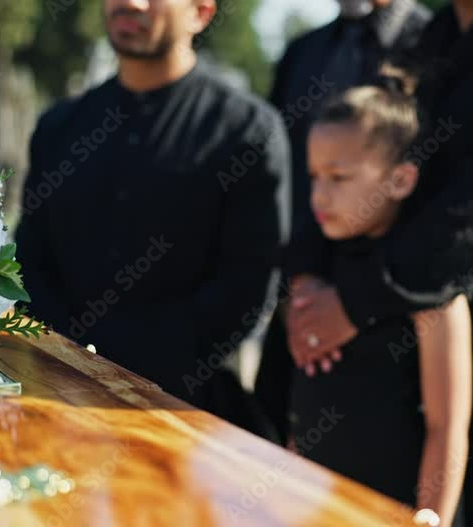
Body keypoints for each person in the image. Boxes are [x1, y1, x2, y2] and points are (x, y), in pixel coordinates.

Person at [282, 1, 473, 525]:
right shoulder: (426, 40)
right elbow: (354, 151)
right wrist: (310, 280)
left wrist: (352, 300)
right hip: (372, 298)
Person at [15, 0, 290, 421]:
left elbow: (246, 289)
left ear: (200, 12)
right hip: (58, 403)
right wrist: (72, 358)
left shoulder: (245, 132)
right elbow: (30, 264)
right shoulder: (59, 127)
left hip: (188, 417)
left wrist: (117, 362)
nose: (130, 3)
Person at [289, 71, 472, 526]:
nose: (319, 195)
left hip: (390, 509)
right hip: (309, 503)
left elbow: (446, 427)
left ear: (401, 179)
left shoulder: (431, 292)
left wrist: (432, 517)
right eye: (313, 176)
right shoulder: (317, 273)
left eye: (338, 177)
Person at [257, 0, 430, 443]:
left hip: (395, 320)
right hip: (296, 306)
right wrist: (304, 282)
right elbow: (279, 180)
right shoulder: (302, 51)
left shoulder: (436, 43)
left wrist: (356, 299)